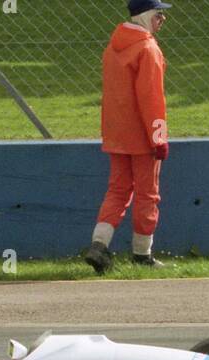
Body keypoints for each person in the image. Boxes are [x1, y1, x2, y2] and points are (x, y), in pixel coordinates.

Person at [82, 0, 172, 274]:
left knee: (118, 190)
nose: (162, 21)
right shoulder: (148, 49)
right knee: (147, 193)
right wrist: (159, 138)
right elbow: (152, 98)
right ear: (146, 16)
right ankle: (142, 254)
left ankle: (99, 244)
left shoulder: (113, 47)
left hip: (116, 133)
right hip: (143, 136)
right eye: (159, 15)